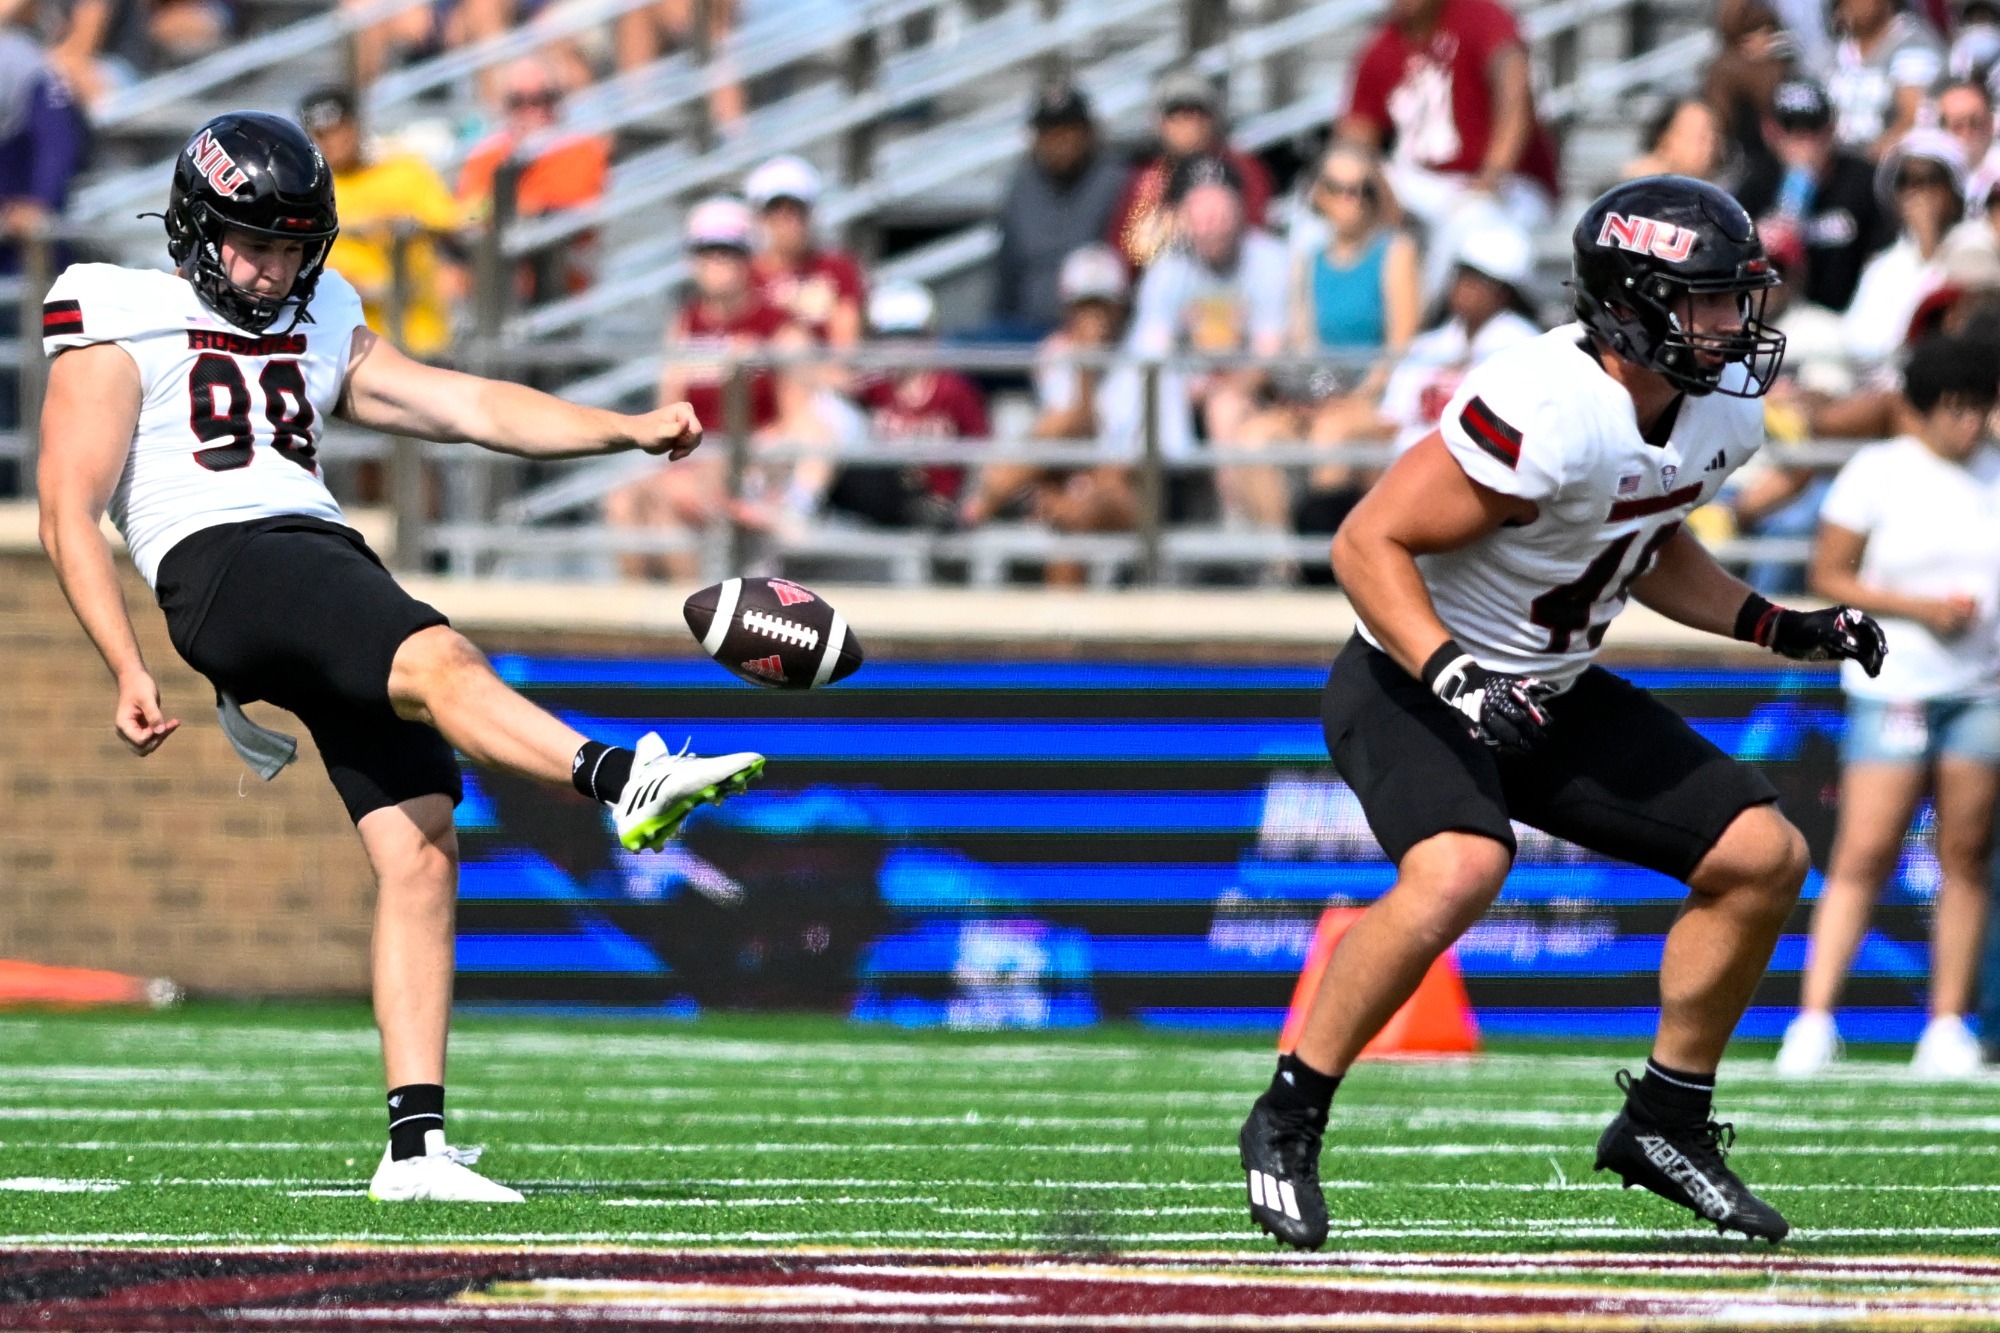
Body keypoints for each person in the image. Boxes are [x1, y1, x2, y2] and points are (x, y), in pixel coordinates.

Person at [34, 113, 765, 1203]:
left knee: (422, 841)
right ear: (193, 226)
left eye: (293, 249)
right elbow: (65, 507)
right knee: (441, 659)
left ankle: (413, 1149)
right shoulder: (118, 308)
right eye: (253, 244)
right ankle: (624, 777)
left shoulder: (323, 313)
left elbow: (465, 404)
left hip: (314, 550)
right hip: (224, 556)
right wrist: (125, 663)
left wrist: (620, 427)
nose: (274, 268)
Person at [1237, 176, 1887, 1252]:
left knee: (1760, 856)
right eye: (1711, 300)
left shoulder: (1717, 411)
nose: (1735, 324)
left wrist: (1776, 625)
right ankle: (1288, 1112)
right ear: (1632, 305)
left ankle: (1664, 1121)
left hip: (1549, 688)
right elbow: (1364, 544)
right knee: (1458, 866)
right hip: (1411, 678)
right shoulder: (1544, 402)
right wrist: (1452, 676)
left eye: (1737, 298)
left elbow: (1640, 535)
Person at [1774, 335, 2000, 1080]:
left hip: (1982, 689)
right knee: (1864, 852)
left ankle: (1946, 1026)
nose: (1972, 424)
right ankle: (1813, 1020)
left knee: (1965, 857)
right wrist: (1921, 609)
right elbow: (1830, 572)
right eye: (1959, 408)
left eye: (1982, 407)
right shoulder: (1878, 471)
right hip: (1892, 683)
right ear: (1926, 407)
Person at [1285, 222, 1541, 541]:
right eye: (1462, 274)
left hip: (1472, 471)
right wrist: (1340, 415)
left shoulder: (1524, 347)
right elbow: (1393, 416)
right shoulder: (1430, 344)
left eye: (1479, 279)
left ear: (1506, 292)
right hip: (1411, 466)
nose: (1465, 286)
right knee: (1337, 441)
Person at [606, 196, 804, 579]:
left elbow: (797, 420)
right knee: (623, 502)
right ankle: (638, 620)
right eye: (707, 252)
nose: (717, 263)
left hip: (753, 463)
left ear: (748, 257)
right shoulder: (686, 325)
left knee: (669, 500)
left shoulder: (777, 328)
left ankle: (690, 616)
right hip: (695, 457)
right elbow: (668, 408)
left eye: (728, 252)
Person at [1235, 146, 1422, 535]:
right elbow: (1303, 346)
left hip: (1375, 398)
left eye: (1362, 190)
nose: (1350, 200)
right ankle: (1282, 558)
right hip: (1321, 394)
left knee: (1330, 435)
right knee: (1252, 437)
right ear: (1320, 194)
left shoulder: (1394, 251)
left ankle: (1325, 557)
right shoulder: (1310, 258)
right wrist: (1304, 395)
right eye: (1338, 188)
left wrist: (1358, 396)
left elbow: (1401, 347)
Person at [1113, 154, 1290, 532]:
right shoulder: (1167, 269)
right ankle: (1152, 520)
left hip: (1261, 389)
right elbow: (1151, 349)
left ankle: (1235, 529)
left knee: (1225, 408)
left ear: (1241, 211)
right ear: (1181, 216)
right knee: (1139, 394)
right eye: (1200, 214)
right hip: (1185, 390)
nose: (1211, 226)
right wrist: (1193, 385)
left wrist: (1218, 386)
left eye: (1220, 213)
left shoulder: (1271, 261)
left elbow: (1269, 356)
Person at [1338, 0, 1561, 297]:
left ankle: (1420, 325)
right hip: (1426, 182)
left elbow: (1515, 94)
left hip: (1512, 183)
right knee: (1325, 206)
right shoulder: (1383, 44)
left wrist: (1490, 178)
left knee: (1468, 220)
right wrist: (1373, 190)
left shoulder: (1480, 16)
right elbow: (1354, 140)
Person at [960, 244, 1138, 572]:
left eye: (1102, 306)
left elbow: (1103, 443)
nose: (1093, 319)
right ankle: (1064, 621)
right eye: (1084, 307)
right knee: (1068, 523)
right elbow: (1068, 437)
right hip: (1073, 476)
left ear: (1121, 308)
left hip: (1128, 487)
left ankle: (983, 503)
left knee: (1077, 506)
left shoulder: (1144, 360)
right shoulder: (1054, 356)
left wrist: (1085, 363)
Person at [299, 87, 467, 360]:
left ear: (355, 126)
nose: (330, 141)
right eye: (319, 133)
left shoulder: (403, 172)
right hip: (340, 340)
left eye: (337, 129)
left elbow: (451, 222)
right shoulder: (306, 191)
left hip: (416, 332)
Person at [825, 281, 989, 530]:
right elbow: (833, 385)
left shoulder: (954, 389)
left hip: (943, 501)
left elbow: (983, 448)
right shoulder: (875, 387)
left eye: (909, 336)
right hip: (892, 496)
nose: (898, 348)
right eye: (888, 338)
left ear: (929, 337)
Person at [1737, 77, 1895, 312]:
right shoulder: (1755, 186)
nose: (1803, 140)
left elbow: (1883, 258)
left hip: (1848, 314)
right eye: (1790, 127)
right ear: (1770, 131)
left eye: (1812, 127)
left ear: (1831, 129)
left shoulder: (1863, 181)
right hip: (1778, 314)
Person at [990, 81, 1129, 339]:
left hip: (1096, 333)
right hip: (1028, 330)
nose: (1060, 142)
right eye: (1050, 133)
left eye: (1069, 131)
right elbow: (1007, 271)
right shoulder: (1022, 185)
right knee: (959, 350)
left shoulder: (1116, 182)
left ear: (1088, 133)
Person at [1106, 69, 1274, 271]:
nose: (1187, 124)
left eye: (1196, 114)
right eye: (1176, 115)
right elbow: (1126, 253)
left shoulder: (1241, 169)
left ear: (1213, 120)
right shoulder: (1148, 180)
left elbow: (1257, 237)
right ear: (1160, 123)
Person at [1843, 128, 1965, 366]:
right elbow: (1856, 341)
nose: (1914, 192)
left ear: (1954, 193)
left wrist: (1929, 246)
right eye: (1904, 181)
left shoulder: (1975, 247)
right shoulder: (1882, 265)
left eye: (1929, 179)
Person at [745, 154, 865, 349]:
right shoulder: (745, 276)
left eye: (795, 209)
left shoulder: (837, 269)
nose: (786, 219)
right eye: (775, 209)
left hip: (822, 374)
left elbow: (845, 347)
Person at [1824, 0, 1943, 160]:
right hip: (1838, 164)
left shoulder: (1912, 42)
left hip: (1893, 162)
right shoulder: (1829, 53)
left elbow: (1912, 118)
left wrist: (1863, 163)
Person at [1623, 98, 1730, 184]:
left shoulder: (1725, 187)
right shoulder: (1636, 187)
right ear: (1665, 139)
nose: (1710, 146)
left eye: (1715, 135)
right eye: (1698, 136)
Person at [1936, 79, 2000, 210]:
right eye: (1957, 125)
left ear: (1991, 122)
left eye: (1975, 122)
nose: (1967, 132)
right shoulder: (1931, 174)